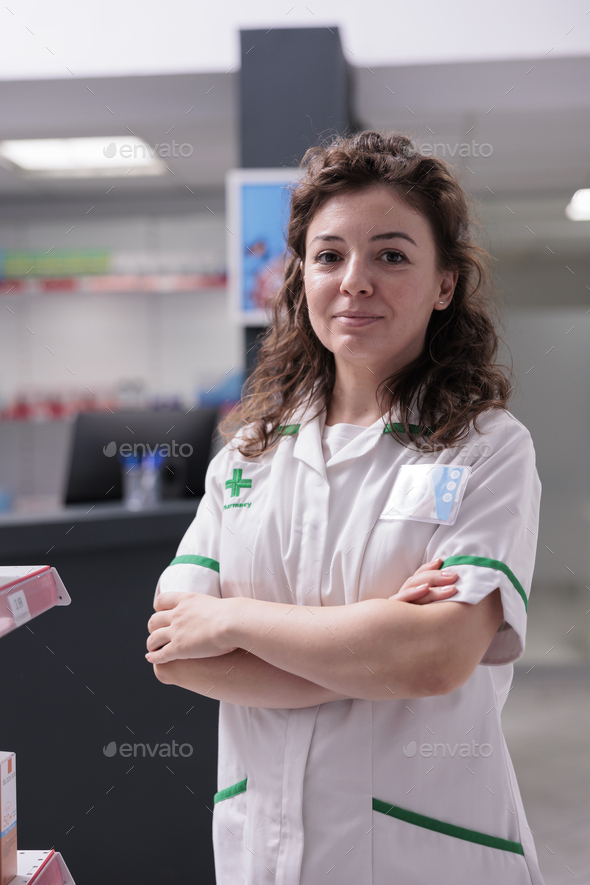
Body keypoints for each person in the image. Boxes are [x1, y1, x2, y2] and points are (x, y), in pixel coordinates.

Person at [146, 130, 544, 885]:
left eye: (391, 255)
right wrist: (376, 643)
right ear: (304, 278)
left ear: (444, 284)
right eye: (329, 256)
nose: (355, 280)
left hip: (422, 854)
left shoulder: (486, 448)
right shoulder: (247, 458)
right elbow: (177, 652)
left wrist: (233, 621)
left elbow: (435, 657)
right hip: (263, 850)